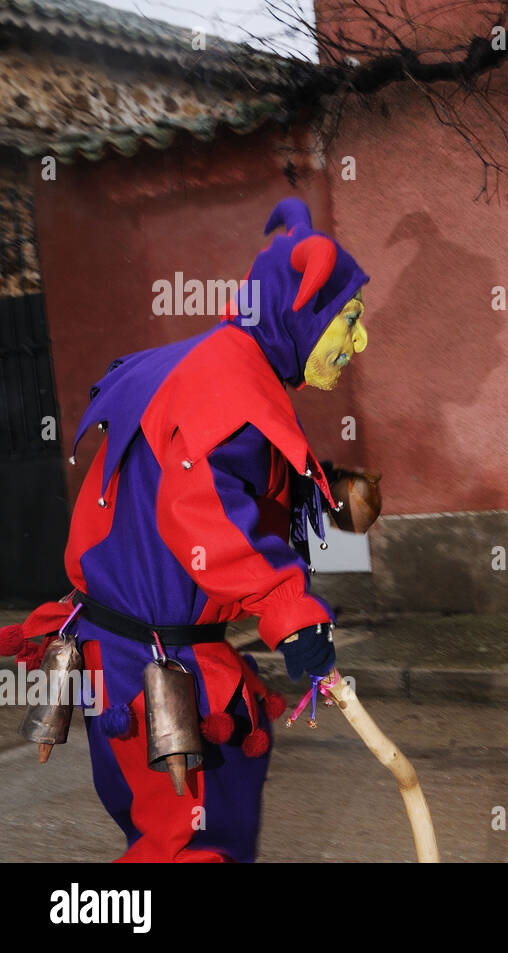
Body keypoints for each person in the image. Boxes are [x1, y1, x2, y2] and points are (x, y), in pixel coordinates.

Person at [0, 197, 370, 861]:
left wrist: (325, 488)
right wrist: (293, 613)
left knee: (201, 821)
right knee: (191, 843)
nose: (359, 340)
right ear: (300, 313)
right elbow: (196, 507)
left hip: (137, 655)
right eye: (348, 319)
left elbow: (222, 483)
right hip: (144, 663)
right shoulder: (225, 381)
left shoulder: (223, 366)